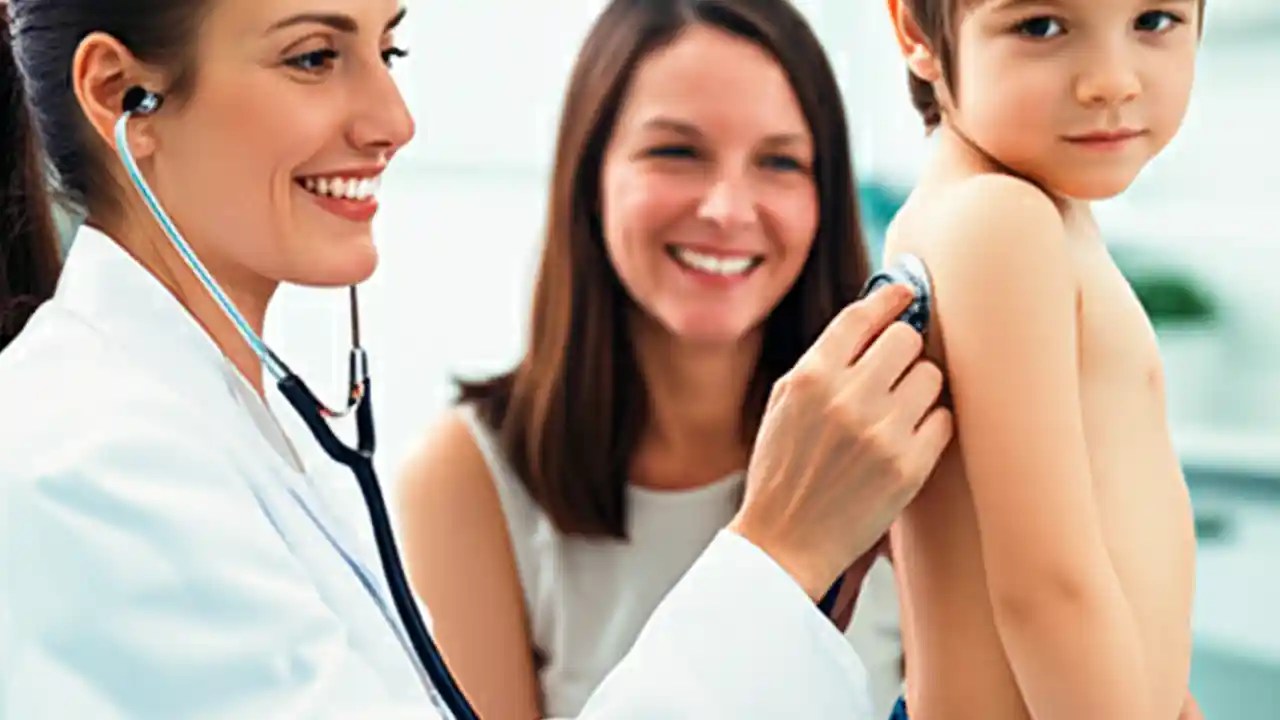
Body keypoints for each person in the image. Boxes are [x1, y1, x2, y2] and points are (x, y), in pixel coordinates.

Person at [0, 0, 953, 717]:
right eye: (314, 57)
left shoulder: (238, 428)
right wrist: (780, 555)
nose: (393, 118)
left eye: (388, 50)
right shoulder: (94, 460)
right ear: (121, 95)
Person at [395, 1, 919, 718]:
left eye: (779, 162)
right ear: (590, 173)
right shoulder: (466, 476)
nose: (728, 209)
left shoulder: (902, 435)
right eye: (677, 152)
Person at [881, 0, 1206, 718]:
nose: (1112, 81)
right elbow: (1046, 588)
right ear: (917, 32)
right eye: (1040, 27)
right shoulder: (998, 220)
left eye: (1153, 20)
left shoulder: (1020, 213)